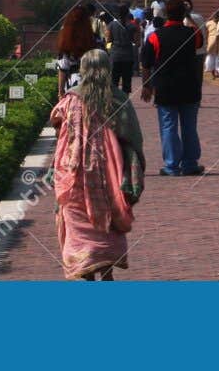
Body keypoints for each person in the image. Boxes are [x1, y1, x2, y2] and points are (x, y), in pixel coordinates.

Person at [50, 48, 145, 280]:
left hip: (73, 175)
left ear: (83, 70)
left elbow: (56, 121)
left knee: (78, 225)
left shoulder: (71, 98)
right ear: (108, 69)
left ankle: (87, 271)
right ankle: (106, 270)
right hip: (108, 175)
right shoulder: (117, 99)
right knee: (106, 224)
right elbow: (131, 136)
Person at [139, 0, 205, 176]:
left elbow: (146, 64)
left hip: (165, 88)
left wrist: (146, 86)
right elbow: (201, 41)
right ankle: (190, 163)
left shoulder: (155, 37)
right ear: (183, 14)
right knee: (189, 127)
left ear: (166, 14)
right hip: (190, 87)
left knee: (168, 126)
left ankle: (171, 165)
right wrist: (189, 16)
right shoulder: (191, 33)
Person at [56, 5, 97, 96]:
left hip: (73, 87)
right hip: (90, 84)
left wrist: (60, 92)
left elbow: (63, 69)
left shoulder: (66, 44)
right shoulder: (93, 40)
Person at [106, 9, 139, 94]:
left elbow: (108, 40)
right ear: (128, 14)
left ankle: (115, 102)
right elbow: (137, 42)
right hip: (128, 56)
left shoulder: (112, 25)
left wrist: (109, 50)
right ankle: (125, 102)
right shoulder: (132, 26)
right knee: (126, 82)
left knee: (114, 82)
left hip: (115, 56)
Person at [203, 13, 219, 83]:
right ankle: (213, 74)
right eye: (215, 17)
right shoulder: (208, 23)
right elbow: (205, 32)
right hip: (210, 42)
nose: (216, 18)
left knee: (218, 59)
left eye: (217, 17)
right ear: (213, 17)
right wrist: (206, 41)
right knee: (210, 58)